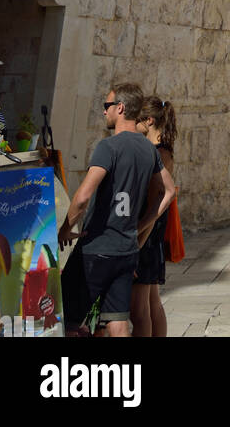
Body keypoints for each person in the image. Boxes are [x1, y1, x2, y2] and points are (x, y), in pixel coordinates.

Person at [58, 81, 175, 337]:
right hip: (127, 251)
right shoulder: (149, 149)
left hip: (97, 249)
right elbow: (170, 190)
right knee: (118, 324)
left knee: (69, 320)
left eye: (107, 106)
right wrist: (144, 223)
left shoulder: (108, 147)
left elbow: (82, 197)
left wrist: (65, 229)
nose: (104, 111)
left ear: (120, 108)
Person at [130, 96, 177, 337]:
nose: (133, 125)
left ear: (148, 121)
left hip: (147, 238)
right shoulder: (162, 151)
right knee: (151, 302)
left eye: (136, 120)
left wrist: (136, 240)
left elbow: (154, 205)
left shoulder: (159, 154)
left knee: (138, 311)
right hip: (151, 238)